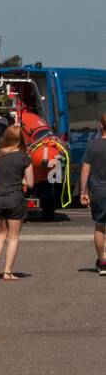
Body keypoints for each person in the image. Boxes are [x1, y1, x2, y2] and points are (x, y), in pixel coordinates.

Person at [0, 125, 33, 281]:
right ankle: (7, 272)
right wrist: (21, 180)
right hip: (15, 199)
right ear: (21, 139)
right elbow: (30, 183)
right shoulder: (24, 158)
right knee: (13, 237)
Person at [78, 113, 106, 275]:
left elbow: (85, 169)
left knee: (100, 226)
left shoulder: (92, 145)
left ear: (101, 126)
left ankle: (103, 261)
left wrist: (83, 191)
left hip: (99, 190)